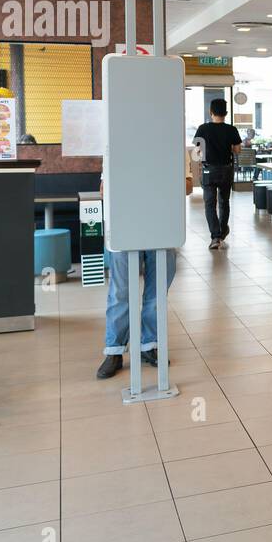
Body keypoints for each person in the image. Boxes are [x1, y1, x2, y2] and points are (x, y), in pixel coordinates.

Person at [97, 154, 193, 379]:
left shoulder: (172, 141)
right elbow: (104, 188)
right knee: (120, 292)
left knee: (157, 293)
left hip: (163, 225)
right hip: (124, 224)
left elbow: (188, 186)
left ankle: (148, 345)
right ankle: (115, 350)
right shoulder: (116, 136)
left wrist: (155, 182)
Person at [194, 98, 241, 250]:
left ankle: (215, 237)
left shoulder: (202, 129)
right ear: (226, 113)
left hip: (209, 170)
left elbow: (197, 151)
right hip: (226, 169)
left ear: (211, 112)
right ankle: (221, 233)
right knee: (224, 202)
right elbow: (237, 150)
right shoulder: (231, 129)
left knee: (209, 204)